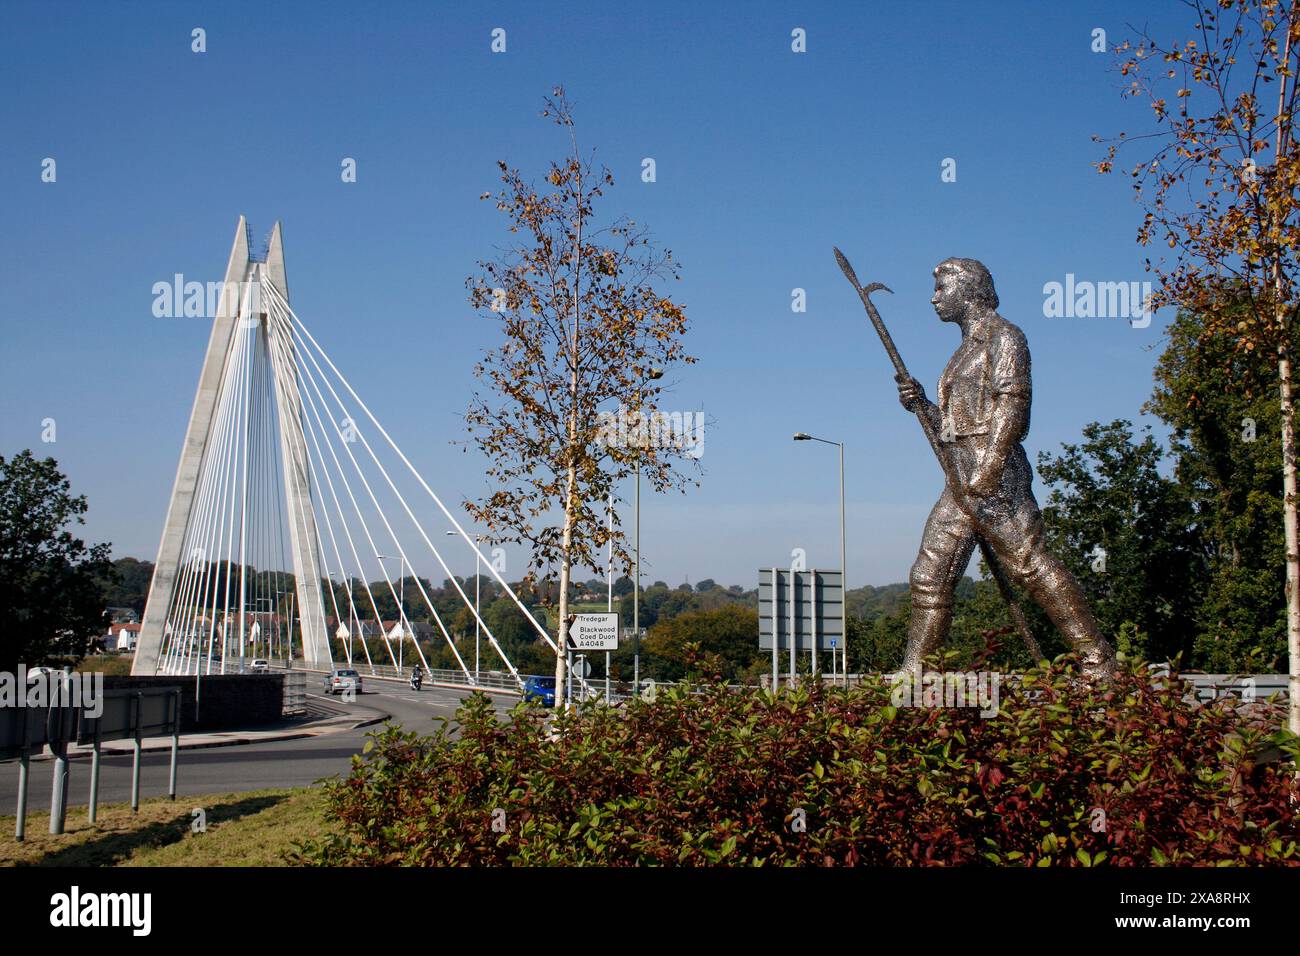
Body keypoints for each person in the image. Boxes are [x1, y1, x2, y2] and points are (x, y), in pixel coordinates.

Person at [895, 257, 1116, 680]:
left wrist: (991, 466)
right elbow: (955, 427)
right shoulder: (963, 351)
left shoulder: (1005, 337)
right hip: (960, 475)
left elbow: (1014, 405)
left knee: (1029, 564)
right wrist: (922, 405)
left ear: (968, 290)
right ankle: (916, 673)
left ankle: (1098, 662)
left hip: (995, 476)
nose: (934, 298)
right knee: (929, 574)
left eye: (941, 288)